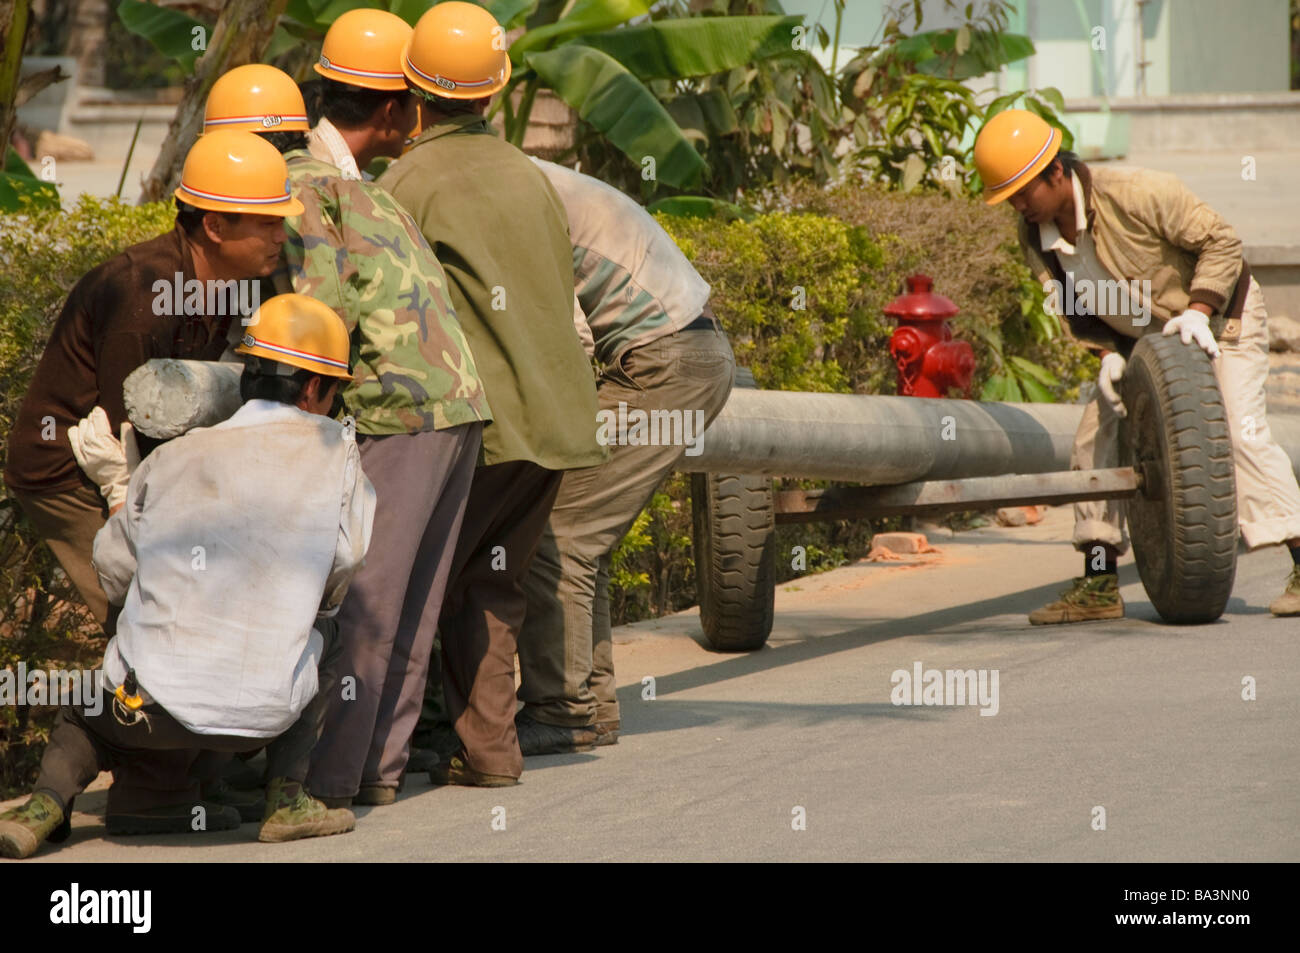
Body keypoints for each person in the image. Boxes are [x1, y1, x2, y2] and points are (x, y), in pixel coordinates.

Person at [201, 57, 490, 808]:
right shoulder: (345, 184)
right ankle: (376, 772)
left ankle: (325, 783)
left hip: (398, 410)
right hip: (453, 403)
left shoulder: (292, 191)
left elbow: (319, 315)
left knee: (364, 607)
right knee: (409, 608)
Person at [0, 294, 375, 859]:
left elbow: (113, 568)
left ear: (247, 375)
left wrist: (121, 493)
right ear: (313, 389)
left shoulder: (173, 458)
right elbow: (344, 564)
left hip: (143, 711)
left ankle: (44, 808)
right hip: (265, 720)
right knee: (332, 638)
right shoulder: (339, 456)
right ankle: (285, 801)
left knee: (83, 710)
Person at [379, 1, 606, 786]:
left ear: (413, 94)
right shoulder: (528, 174)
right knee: (493, 585)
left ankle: (376, 763)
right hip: (556, 422)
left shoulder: (404, 179)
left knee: (418, 582)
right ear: (493, 89)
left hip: (481, 427)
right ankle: (491, 754)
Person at [973, 108, 1300, 623]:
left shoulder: (1138, 192)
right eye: (1007, 197)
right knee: (1093, 438)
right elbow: (1071, 306)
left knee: (1238, 429)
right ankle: (1100, 583)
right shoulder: (1034, 235)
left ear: (1056, 173)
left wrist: (1198, 311)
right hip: (1143, 343)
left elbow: (1223, 242)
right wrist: (1106, 355)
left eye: (1022, 192)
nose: (1017, 205)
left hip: (1219, 317)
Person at [3, 130, 298, 638]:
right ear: (214, 226)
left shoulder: (227, 282)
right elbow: (129, 435)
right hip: (71, 471)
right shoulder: (142, 293)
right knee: (143, 618)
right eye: (267, 222)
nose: (280, 235)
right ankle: (89, 709)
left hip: (136, 461)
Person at [509, 158, 735, 754]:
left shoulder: (517, 195)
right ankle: (592, 707)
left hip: (664, 364)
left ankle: (563, 710)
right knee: (586, 533)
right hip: (689, 354)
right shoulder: (530, 176)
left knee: (561, 534)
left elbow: (576, 337)